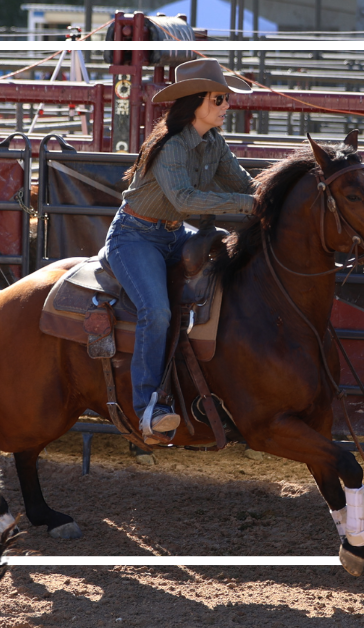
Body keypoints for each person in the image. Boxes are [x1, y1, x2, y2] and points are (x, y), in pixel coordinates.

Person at [107, 58, 256, 436]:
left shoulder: (214, 144)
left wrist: (276, 198)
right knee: (155, 311)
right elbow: (186, 199)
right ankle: (147, 409)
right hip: (134, 236)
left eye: (226, 98)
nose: (227, 105)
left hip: (173, 235)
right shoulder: (172, 147)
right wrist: (246, 207)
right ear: (196, 102)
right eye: (220, 98)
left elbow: (245, 185)